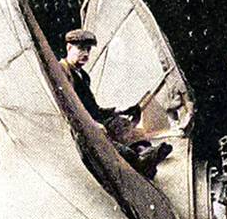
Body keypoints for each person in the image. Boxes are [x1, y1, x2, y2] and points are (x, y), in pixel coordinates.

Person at [58, 28, 171, 178]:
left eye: (88, 50)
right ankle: (140, 159)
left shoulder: (83, 76)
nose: (85, 54)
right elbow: (68, 107)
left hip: (96, 120)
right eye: (80, 49)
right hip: (83, 126)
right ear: (69, 48)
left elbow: (93, 108)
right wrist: (92, 124)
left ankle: (144, 151)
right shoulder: (62, 71)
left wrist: (117, 111)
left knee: (121, 123)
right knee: (116, 149)